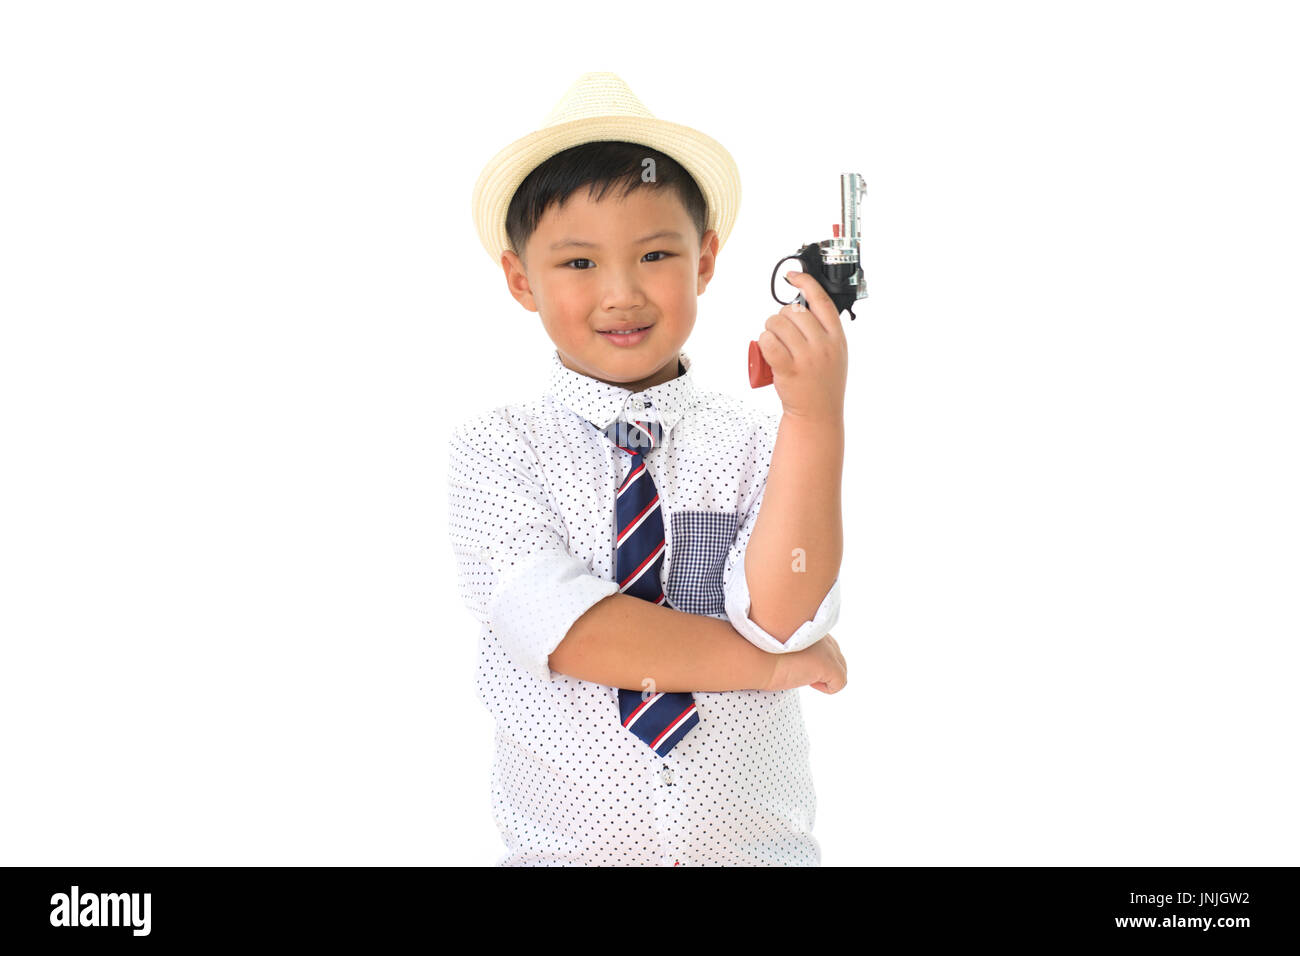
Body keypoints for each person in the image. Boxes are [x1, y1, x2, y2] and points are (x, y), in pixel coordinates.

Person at [448, 72, 849, 866]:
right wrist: (777, 670)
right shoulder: (496, 450)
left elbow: (783, 613)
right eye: (579, 264)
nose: (622, 293)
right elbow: (574, 632)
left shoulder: (759, 444)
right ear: (521, 279)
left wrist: (814, 422)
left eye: (655, 253)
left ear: (704, 261)